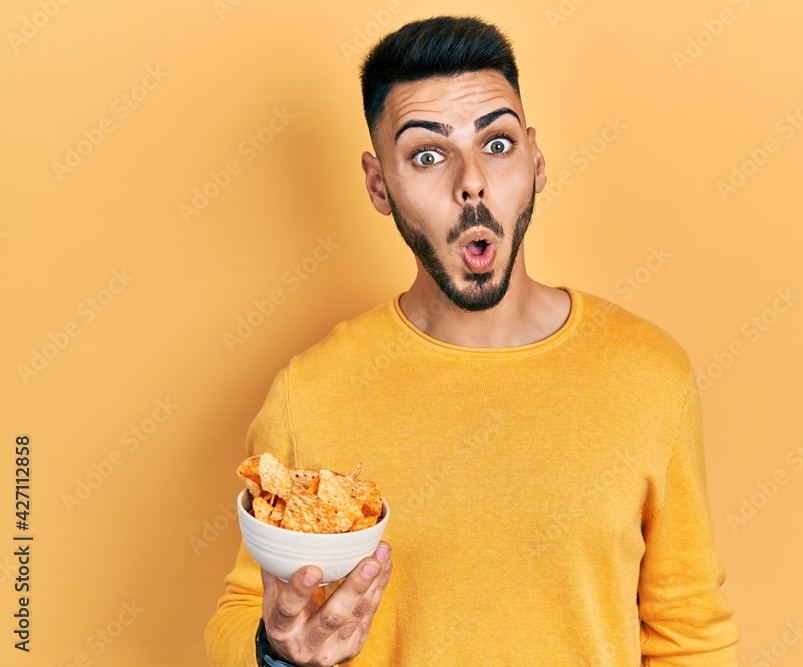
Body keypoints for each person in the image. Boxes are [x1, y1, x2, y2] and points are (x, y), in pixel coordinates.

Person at [205, 15, 739, 666]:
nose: (472, 181)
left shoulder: (652, 375)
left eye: (497, 142)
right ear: (379, 185)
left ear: (536, 159)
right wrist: (277, 651)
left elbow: (691, 634)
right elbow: (240, 610)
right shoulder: (309, 393)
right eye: (427, 155)